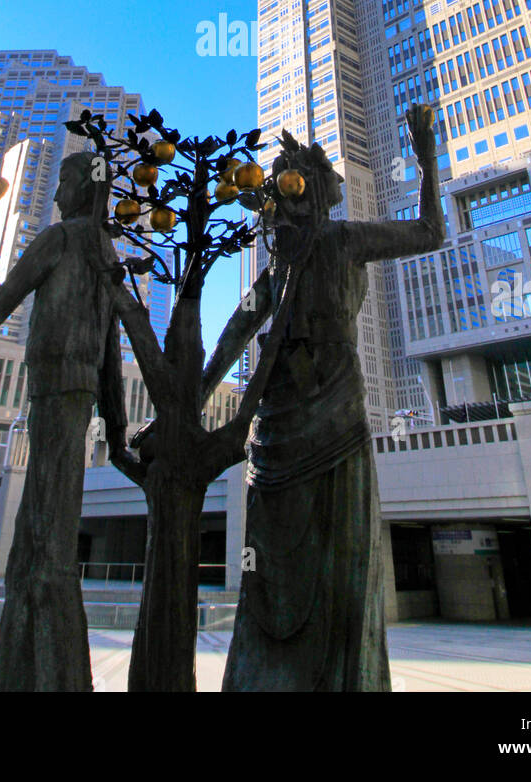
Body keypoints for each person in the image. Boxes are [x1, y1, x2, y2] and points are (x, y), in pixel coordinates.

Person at [201, 103, 444, 692]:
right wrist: (188, 402)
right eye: (277, 191)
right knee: (273, 565)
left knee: (341, 564)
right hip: (276, 431)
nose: (283, 203)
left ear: (309, 193)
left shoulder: (342, 241)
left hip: (336, 420)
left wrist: (426, 157)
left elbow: (429, 232)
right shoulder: (276, 272)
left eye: (292, 185)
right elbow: (234, 334)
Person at [0, 150, 143, 692]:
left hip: (53, 396)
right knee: (50, 528)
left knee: (41, 530)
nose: (57, 192)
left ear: (83, 188)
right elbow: (111, 353)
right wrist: (115, 431)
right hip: (77, 397)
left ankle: (39, 655)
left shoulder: (62, 239)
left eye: (63, 181)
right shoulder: (105, 250)